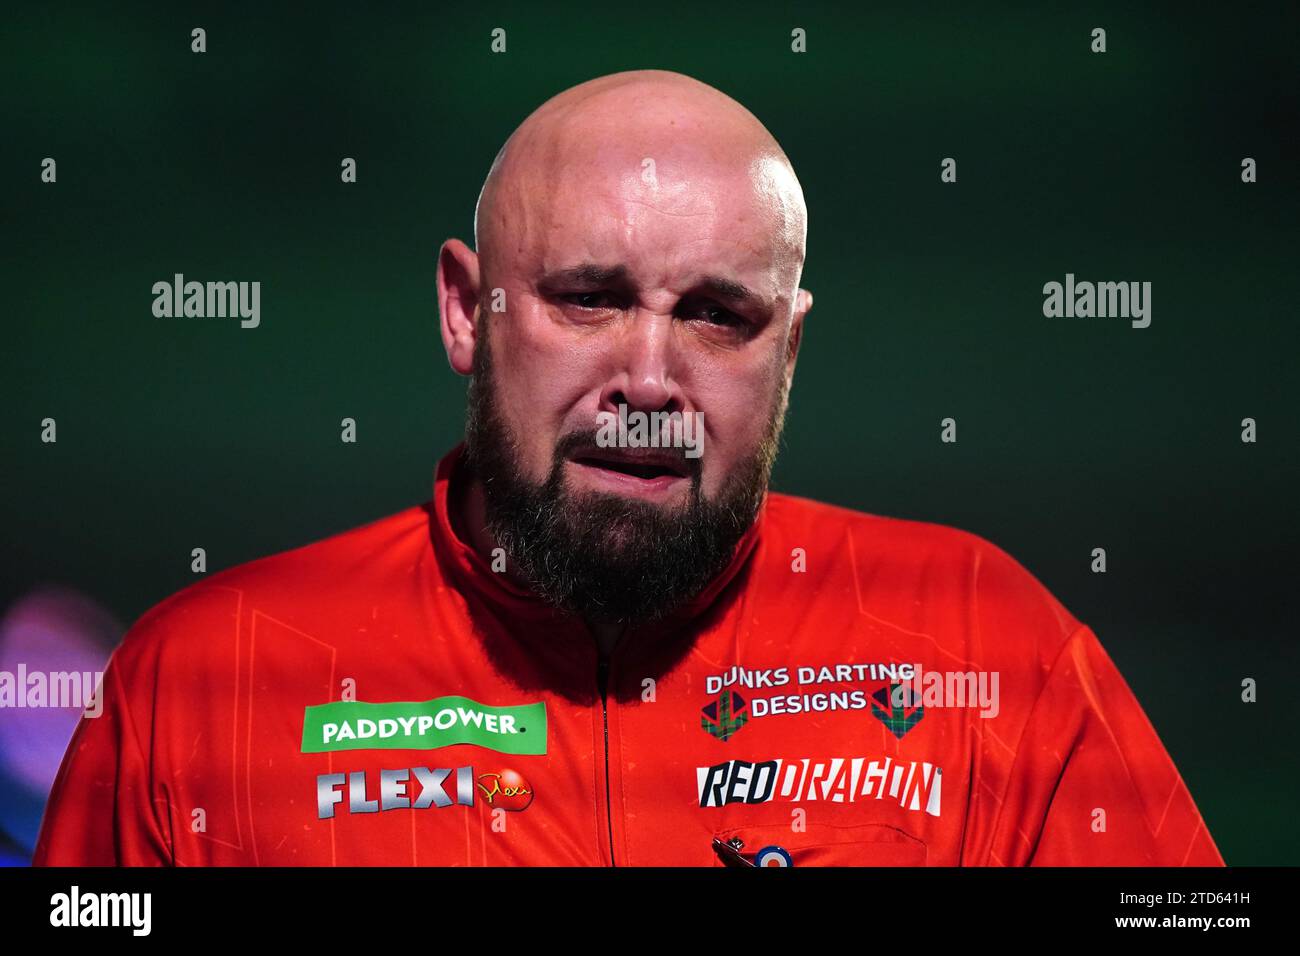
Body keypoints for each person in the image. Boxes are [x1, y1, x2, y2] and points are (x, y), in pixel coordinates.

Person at [34, 70, 1221, 866]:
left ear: (790, 347)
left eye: (716, 316)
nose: (649, 379)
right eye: (589, 299)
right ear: (465, 309)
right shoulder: (197, 679)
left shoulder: (991, 647)